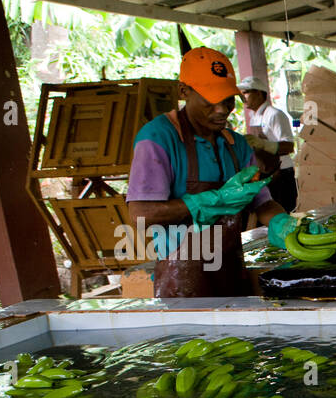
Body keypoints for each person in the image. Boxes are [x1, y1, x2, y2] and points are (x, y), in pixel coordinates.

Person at [126, 48, 315, 297]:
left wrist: (285, 224)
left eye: (227, 99)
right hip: (180, 280)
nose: (221, 110)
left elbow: (263, 202)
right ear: (184, 92)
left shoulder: (236, 145)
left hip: (231, 271)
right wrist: (208, 201)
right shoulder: (158, 139)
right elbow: (141, 214)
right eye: (210, 100)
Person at [238, 75, 297, 212]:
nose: (243, 98)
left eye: (246, 92)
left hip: (282, 174)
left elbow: (289, 146)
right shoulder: (255, 117)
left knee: (285, 212)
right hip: (267, 174)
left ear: (259, 93)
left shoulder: (274, 114)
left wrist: (263, 144)